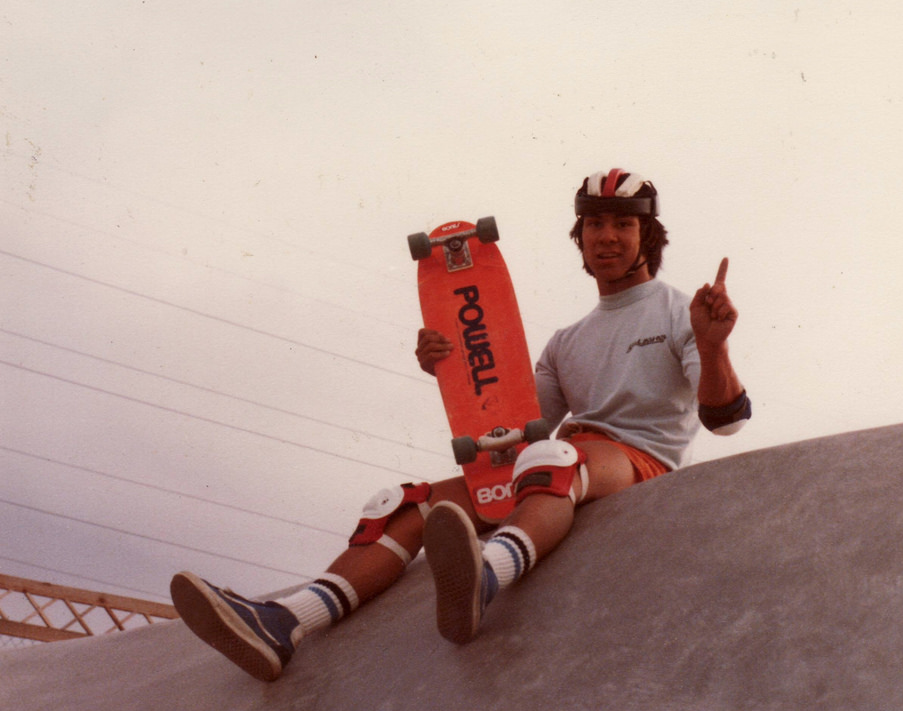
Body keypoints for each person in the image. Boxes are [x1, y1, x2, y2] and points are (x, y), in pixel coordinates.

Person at [170, 168, 752, 681]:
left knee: (552, 460)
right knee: (402, 506)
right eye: (594, 224)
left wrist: (712, 344)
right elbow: (511, 430)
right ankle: (284, 622)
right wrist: (452, 371)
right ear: (580, 237)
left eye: (622, 225)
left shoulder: (682, 311)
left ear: (646, 235)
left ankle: (487, 578)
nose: (606, 237)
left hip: (640, 464)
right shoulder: (565, 343)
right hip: (562, 466)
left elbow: (725, 422)